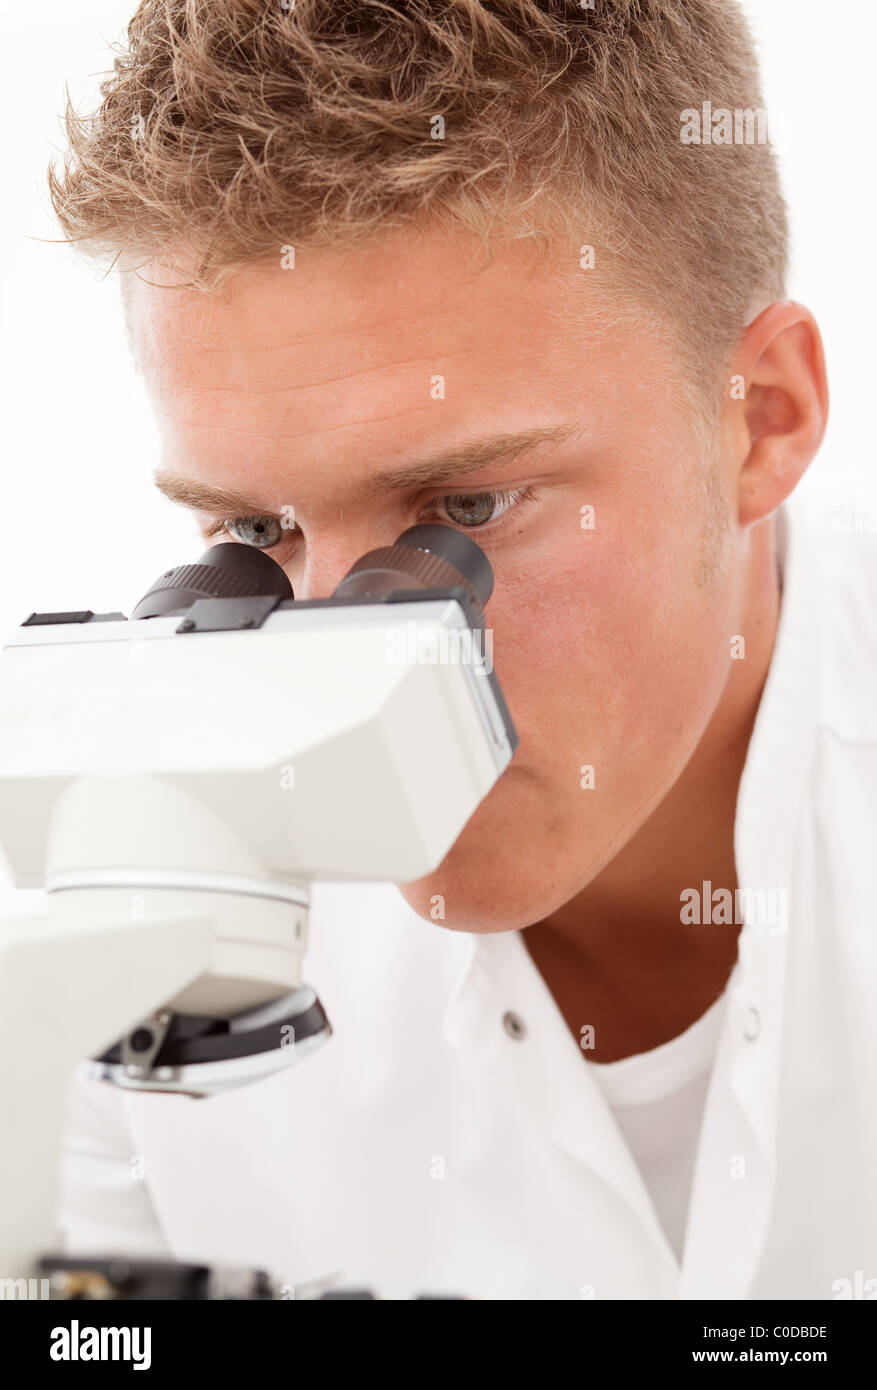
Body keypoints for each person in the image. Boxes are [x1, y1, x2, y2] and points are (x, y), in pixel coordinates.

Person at [47, 1, 875, 1298]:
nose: (334, 665)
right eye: (252, 527)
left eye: (464, 512)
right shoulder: (132, 966)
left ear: (760, 421)